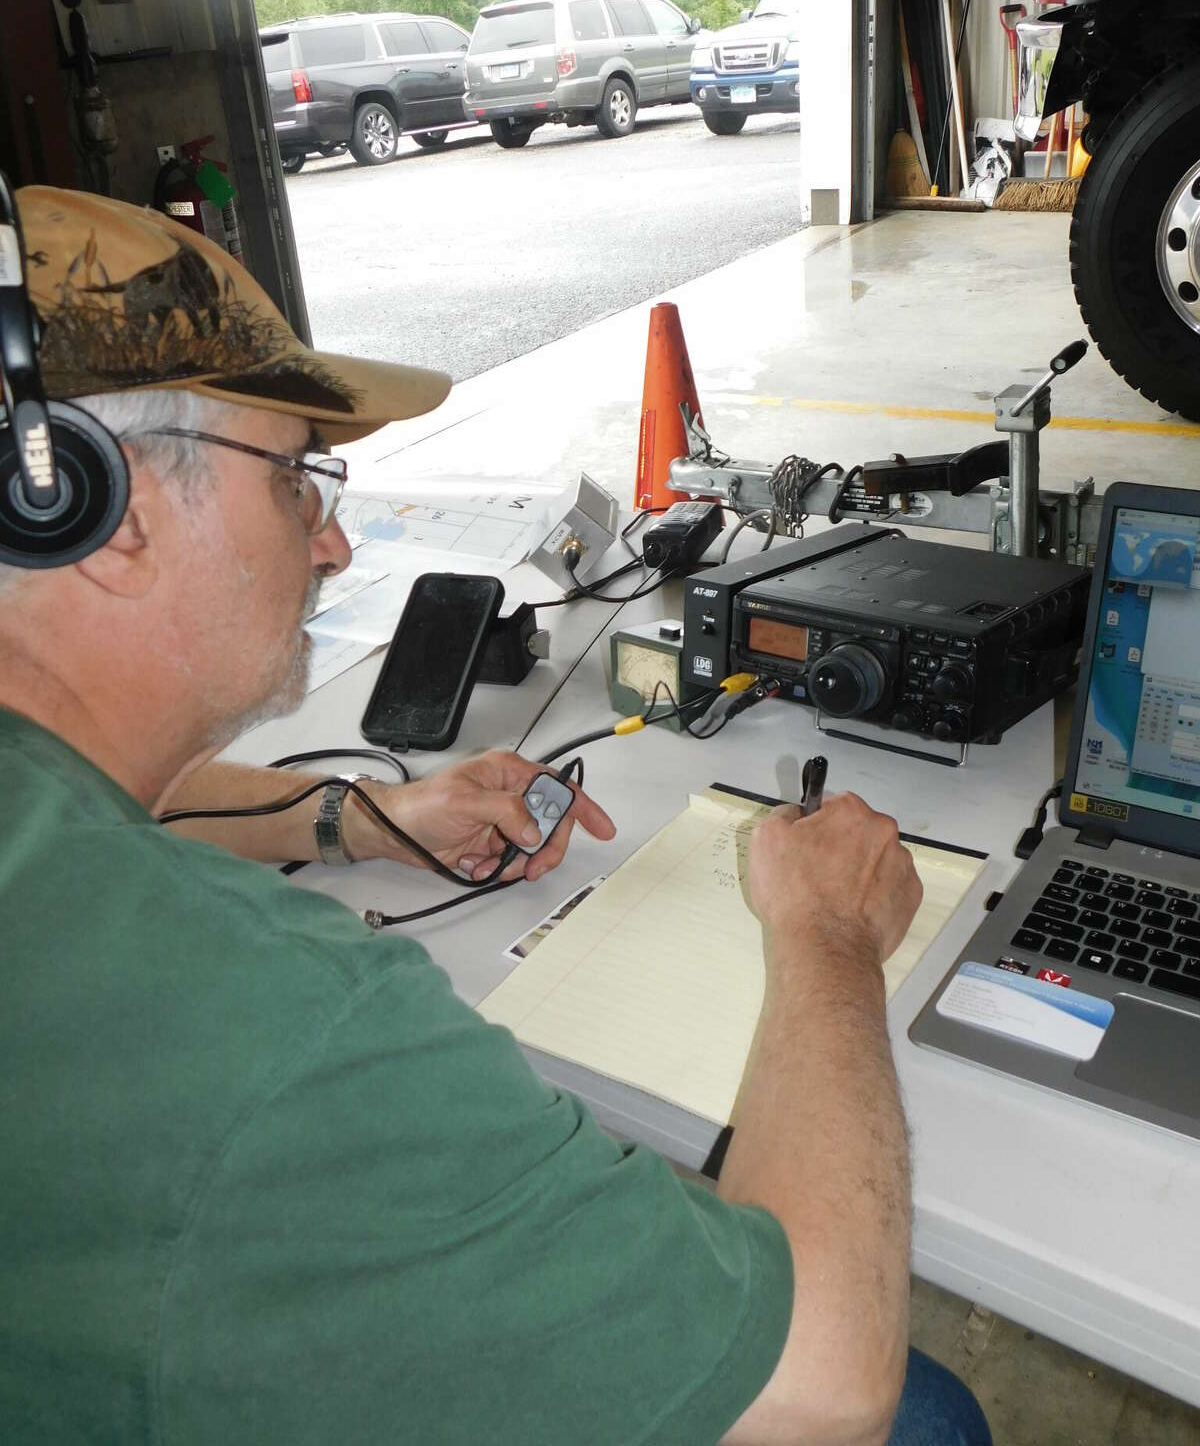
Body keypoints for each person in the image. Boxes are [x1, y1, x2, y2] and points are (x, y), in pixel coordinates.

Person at [0, 185, 991, 1445]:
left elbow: (119, 814)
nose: (337, 544)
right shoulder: (278, 1020)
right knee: (928, 1416)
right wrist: (833, 944)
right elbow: (822, 1389)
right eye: (300, 482)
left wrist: (357, 819)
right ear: (94, 505)